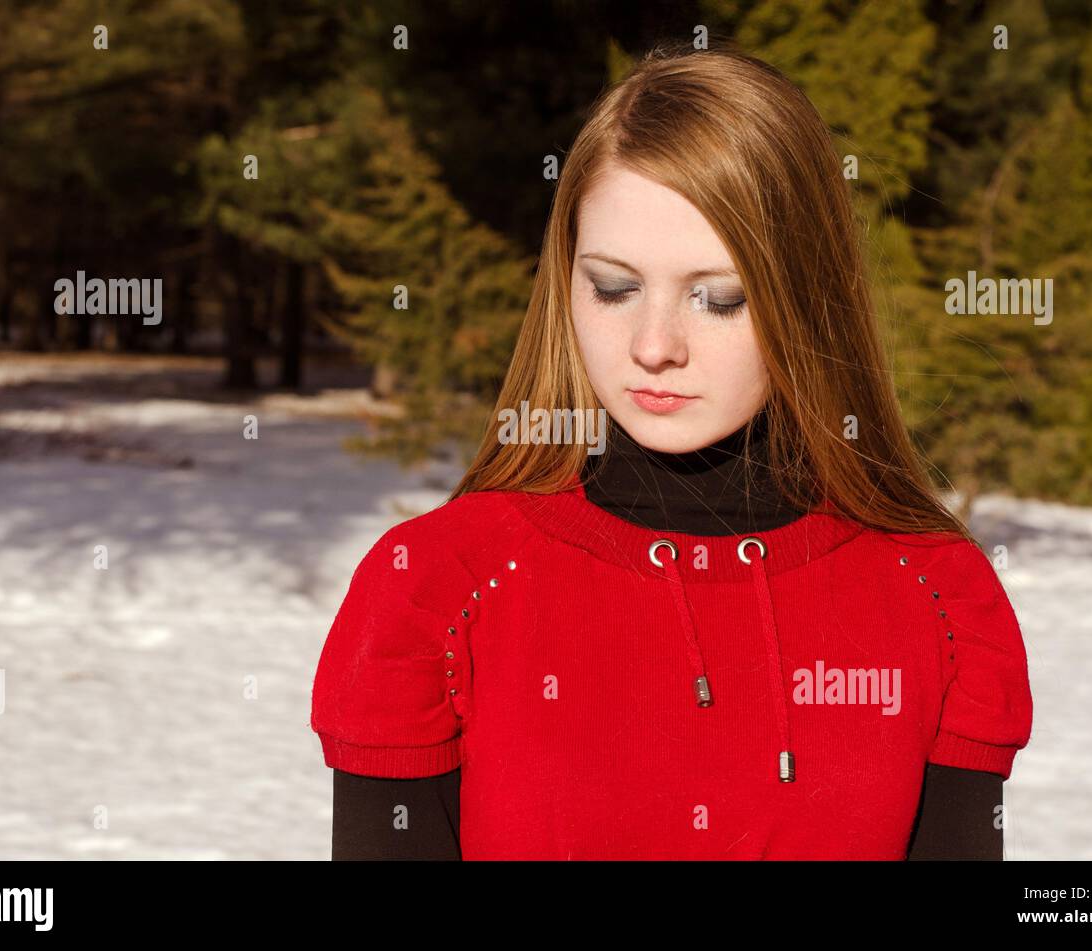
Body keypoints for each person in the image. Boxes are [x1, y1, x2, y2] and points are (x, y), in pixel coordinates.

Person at [311, 41, 1034, 860]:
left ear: (806, 297)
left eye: (719, 298)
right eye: (614, 287)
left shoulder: (938, 600)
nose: (654, 345)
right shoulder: (436, 592)